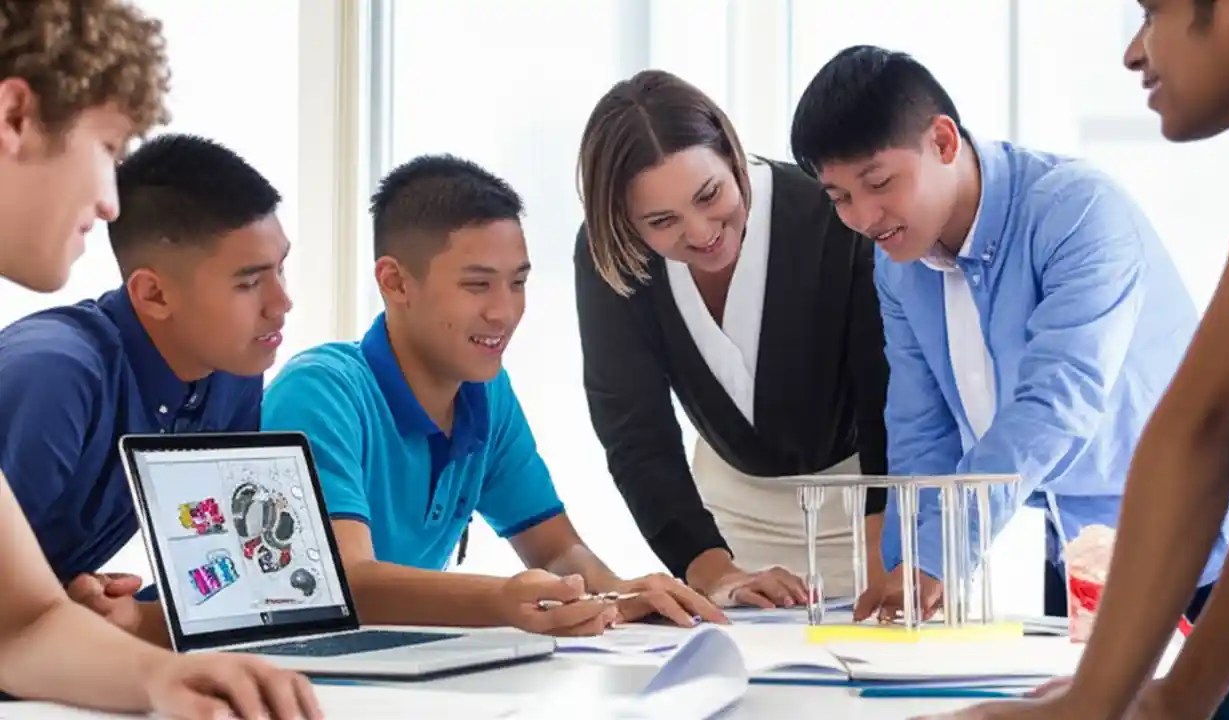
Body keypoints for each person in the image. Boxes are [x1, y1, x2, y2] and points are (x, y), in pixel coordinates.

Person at [790, 43, 1229, 717]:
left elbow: (1055, 403)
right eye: (839, 196)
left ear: (942, 140)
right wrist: (910, 569)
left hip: (1195, 552)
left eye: (879, 183)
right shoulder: (898, 264)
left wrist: (938, 555)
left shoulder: (1076, 210)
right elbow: (919, 425)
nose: (863, 217)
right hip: (1077, 553)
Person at [927, 1, 1229, 719]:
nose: (1133, 53)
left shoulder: (1077, 204)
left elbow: (1210, 425)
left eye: (1154, 13)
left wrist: (1092, 703)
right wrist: (1174, 698)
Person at [0, 2, 318, 718]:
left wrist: (161, 676)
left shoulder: (230, 376)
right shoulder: (51, 370)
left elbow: (19, 624)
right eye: (108, 149)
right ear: (15, 116)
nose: (113, 203)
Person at [261, 153, 724, 636]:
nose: (504, 312)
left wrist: (616, 592)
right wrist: (500, 600)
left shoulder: (485, 391)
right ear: (395, 282)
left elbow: (556, 550)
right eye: (477, 285)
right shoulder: (320, 393)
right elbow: (343, 582)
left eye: (518, 282)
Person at [574, 69, 890, 608]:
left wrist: (890, 562)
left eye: (709, 194)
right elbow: (634, 432)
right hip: (724, 517)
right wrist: (713, 569)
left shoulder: (830, 214)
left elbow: (889, 401)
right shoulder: (613, 256)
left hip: (868, 507)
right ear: (626, 223)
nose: (700, 232)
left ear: (730, 150)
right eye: (661, 220)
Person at [0, 132, 292, 646]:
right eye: (248, 283)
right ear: (153, 294)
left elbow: (221, 573)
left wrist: (110, 609)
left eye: (281, 268)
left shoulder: (232, 370)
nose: (281, 302)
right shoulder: (53, 377)